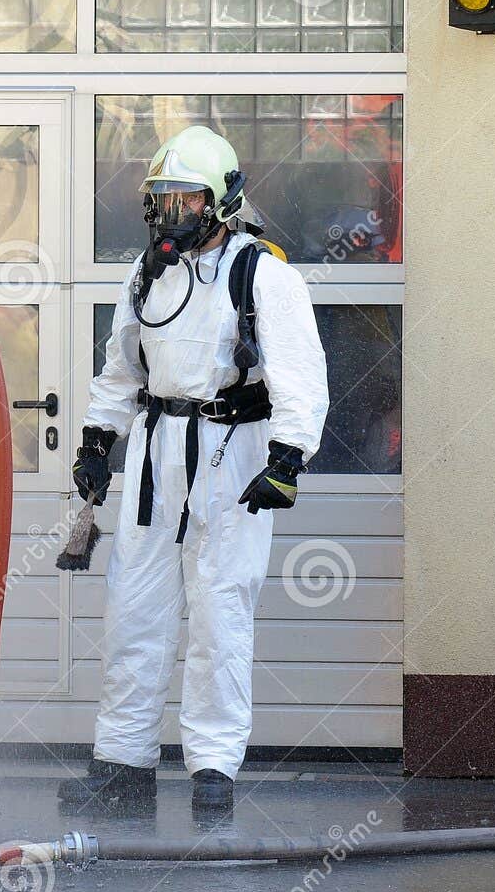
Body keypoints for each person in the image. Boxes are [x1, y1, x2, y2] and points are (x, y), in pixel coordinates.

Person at [59, 126, 328, 814]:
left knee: (220, 610)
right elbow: (121, 366)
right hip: (158, 448)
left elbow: (300, 370)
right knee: (134, 608)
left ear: (220, 202)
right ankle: (123, 764)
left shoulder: (262, 272)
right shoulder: (147, 274)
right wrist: (98, 440)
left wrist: (287, 456)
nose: (171, 216)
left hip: (231, 451)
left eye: (186, 201)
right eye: (162, 201)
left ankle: (212, 768)